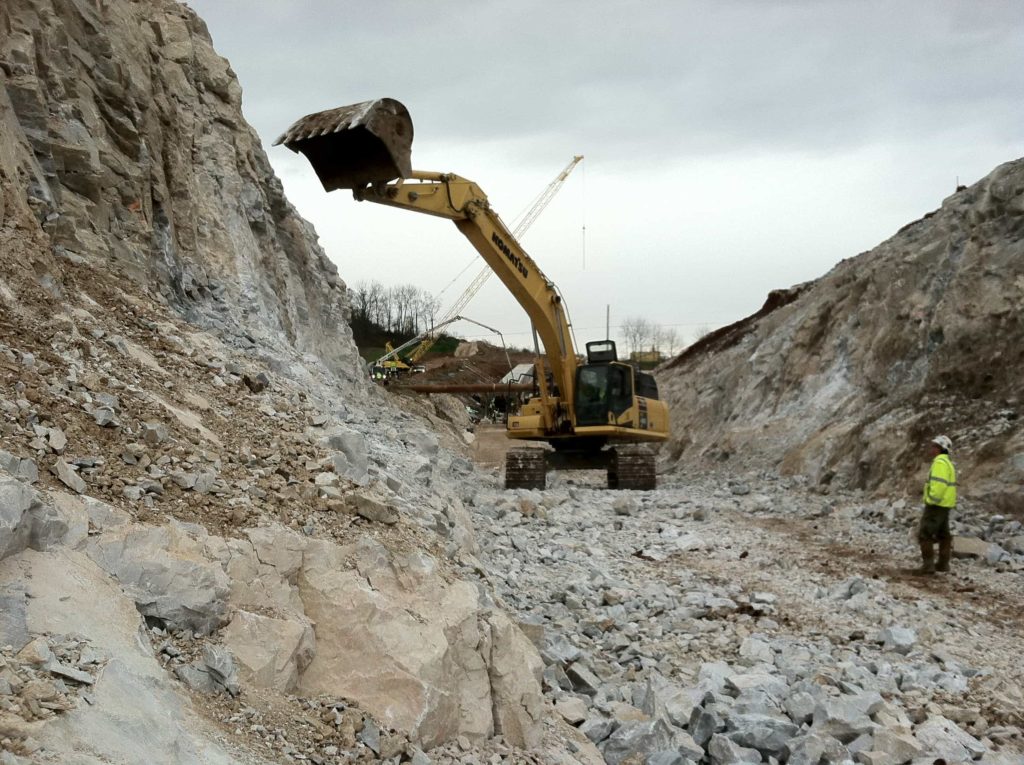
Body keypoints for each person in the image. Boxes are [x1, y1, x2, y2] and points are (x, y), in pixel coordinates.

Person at [917, 435, 957, 574]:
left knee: (925, 533)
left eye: (934, 446)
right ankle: (943, 564)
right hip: (945, 505)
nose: (931, 448)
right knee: (944, 534)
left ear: (940, 449)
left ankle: (928, 566)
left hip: (936, 505)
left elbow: (939, 485)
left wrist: (931, 500)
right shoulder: (948, 463)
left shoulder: (940, 463)